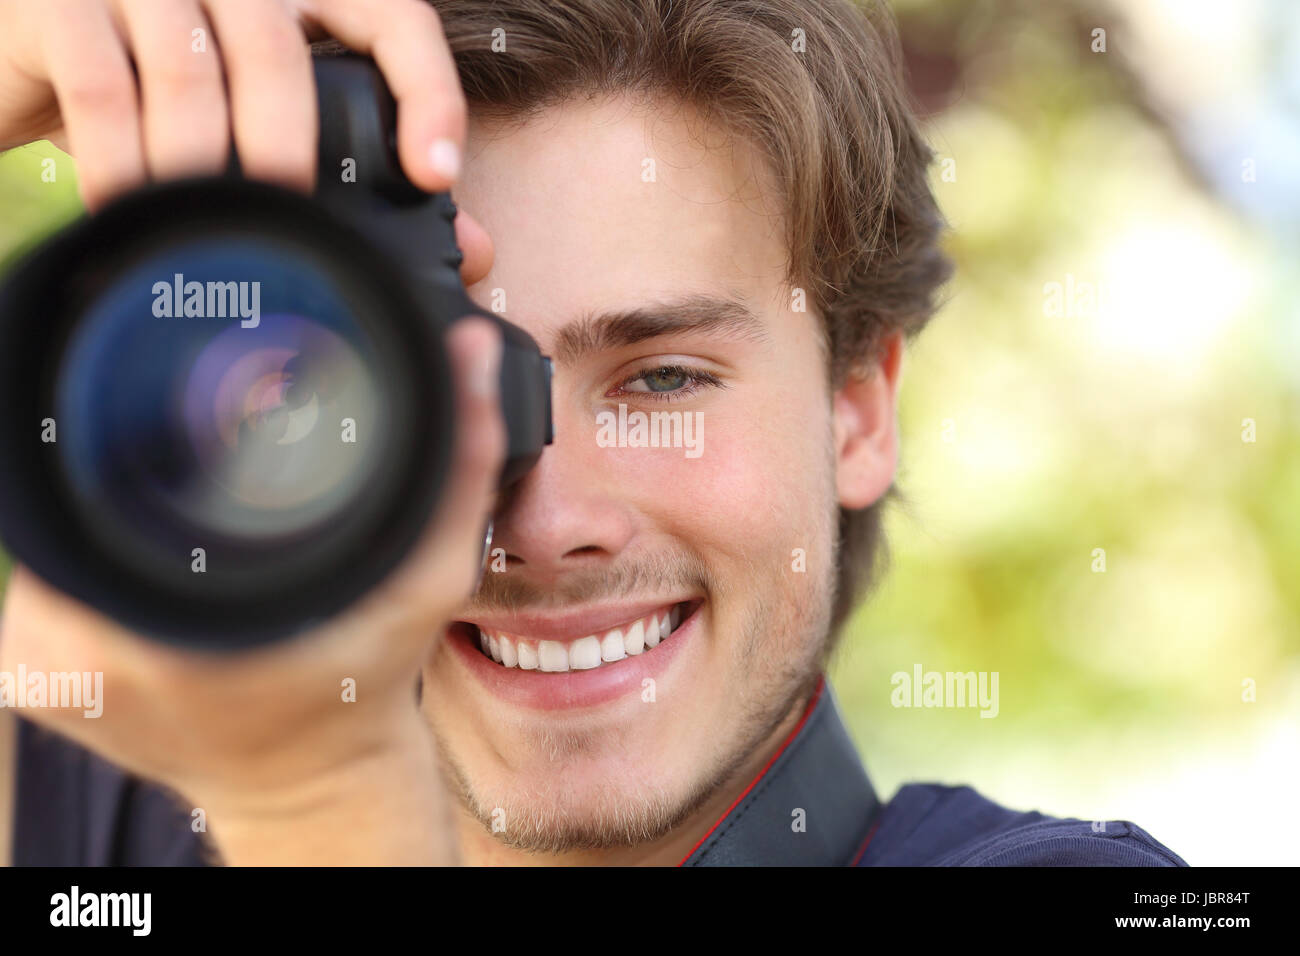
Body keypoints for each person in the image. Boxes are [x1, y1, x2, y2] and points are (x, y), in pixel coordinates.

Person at [0, 0, 1186, 866]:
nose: (550, 520)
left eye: (663, 378)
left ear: (858, 410)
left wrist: (319, 800)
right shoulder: (108, 789)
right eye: (434, 390)